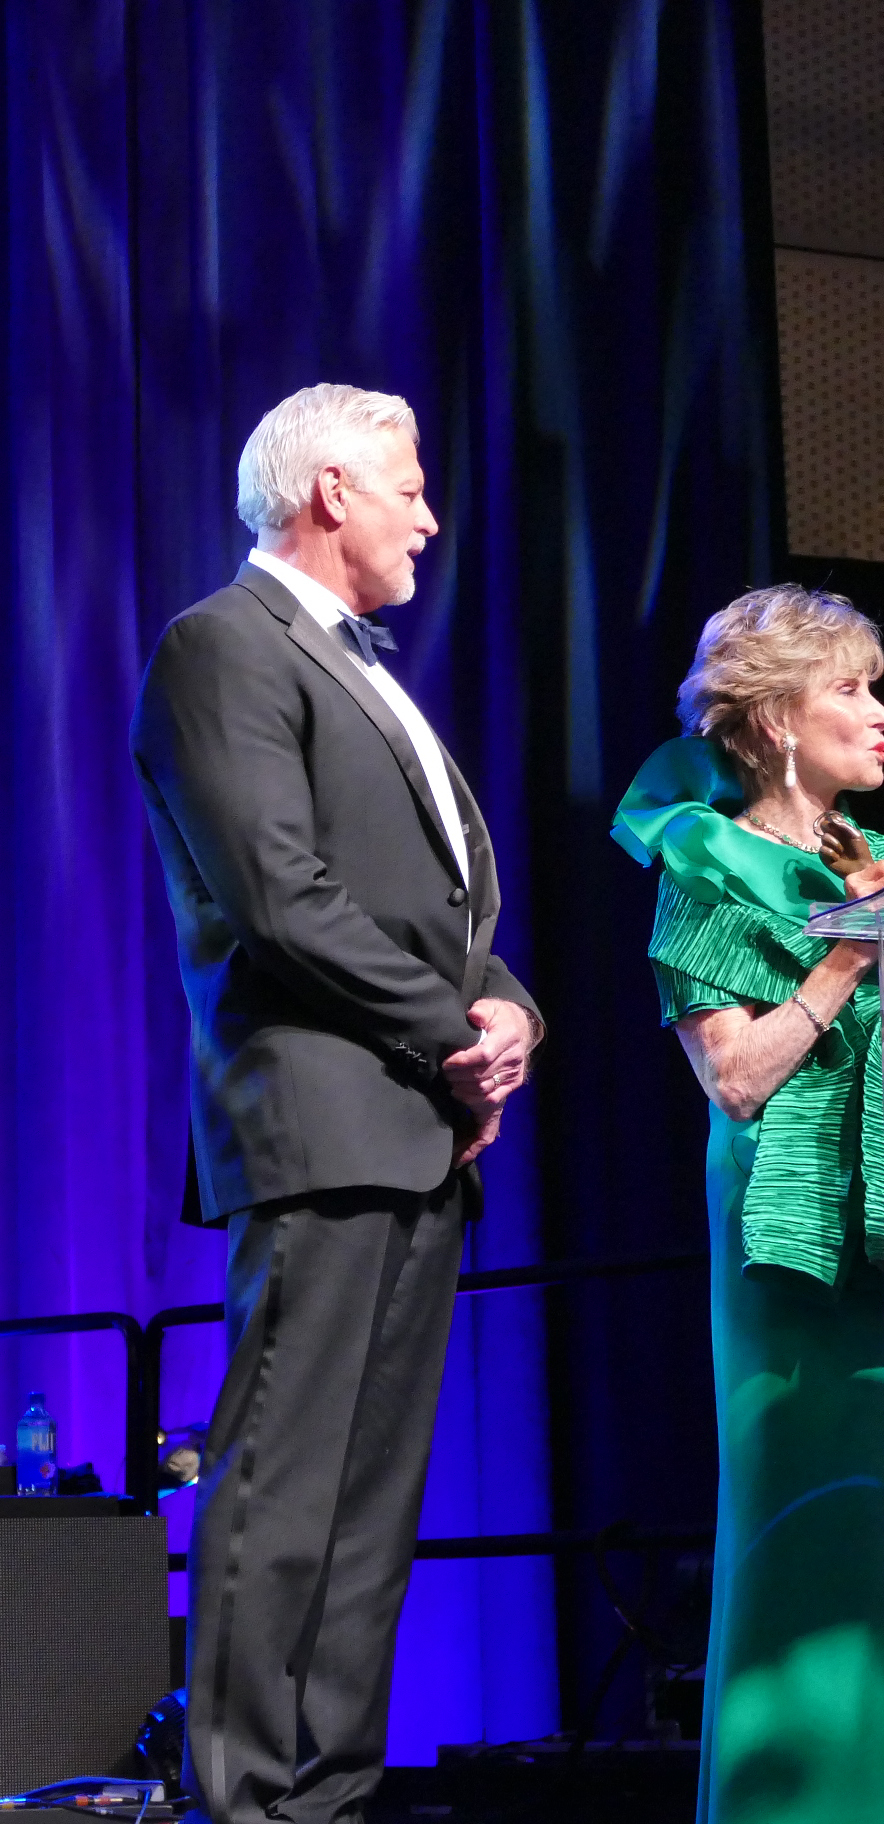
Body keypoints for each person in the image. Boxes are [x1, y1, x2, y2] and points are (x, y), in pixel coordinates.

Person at [131, 384, 542, 1824]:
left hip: (415, 1128)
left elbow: (433, 909)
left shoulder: (362, 668)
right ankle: (240, 1802)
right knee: (284, 1494)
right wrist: (450, 1031)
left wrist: (506, 1011)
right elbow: (279, 899)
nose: (429, 513)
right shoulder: (219, 648)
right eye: (409, 485)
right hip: (318, 1129)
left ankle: (329, 1799)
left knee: (372, 1516)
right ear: (328, 495)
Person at [611, 584, 884, 1824]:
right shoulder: (704, 872)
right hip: (786, 1262)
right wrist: (851, 958)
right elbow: (735, 1080)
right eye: (851, 687)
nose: (881, 712)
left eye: (874, 684)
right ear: (778, 718)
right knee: (805, 1533)